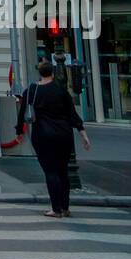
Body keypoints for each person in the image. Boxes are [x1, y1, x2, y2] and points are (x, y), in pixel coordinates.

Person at [16, 61, 90, 218]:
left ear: (40, 73)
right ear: (53, 73)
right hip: (64, 134)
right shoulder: (61, 90)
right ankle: (65, 207)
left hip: (43, 135)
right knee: (63, 171)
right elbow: (72, 113)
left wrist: (19, 131)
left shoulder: (32, 90)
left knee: (50, 171)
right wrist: (82, 133)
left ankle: (55, 208)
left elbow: (23, 112)